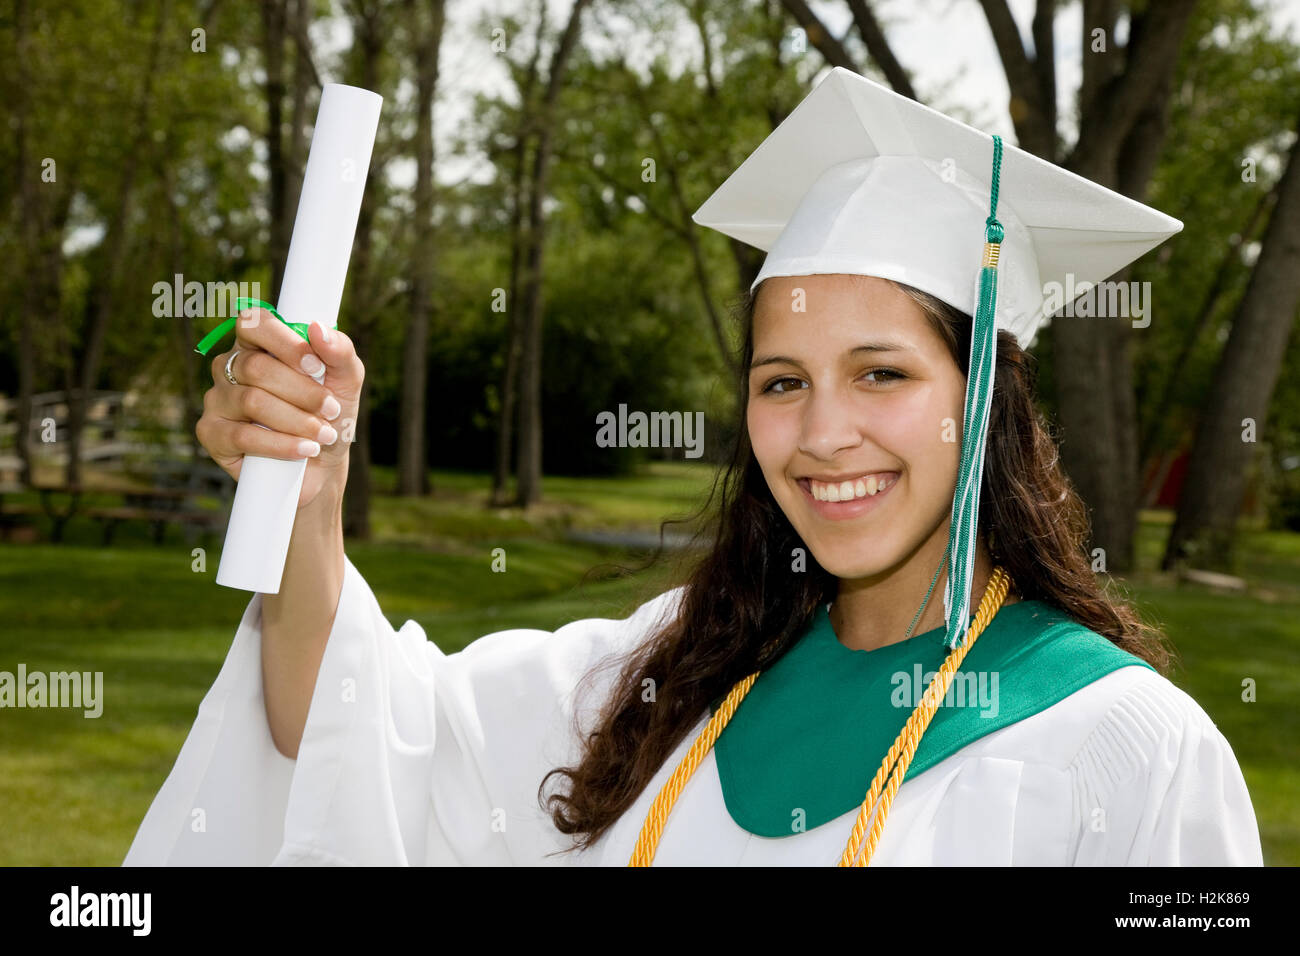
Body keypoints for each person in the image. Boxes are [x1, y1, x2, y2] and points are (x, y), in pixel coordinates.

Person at [124, 67, 1263, 866]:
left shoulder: (1124, 747)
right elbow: (358, 728)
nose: (821, 433)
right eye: (781, 380)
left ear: (987, 402)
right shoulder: (679, 670)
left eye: (880, 373)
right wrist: (310, 491)